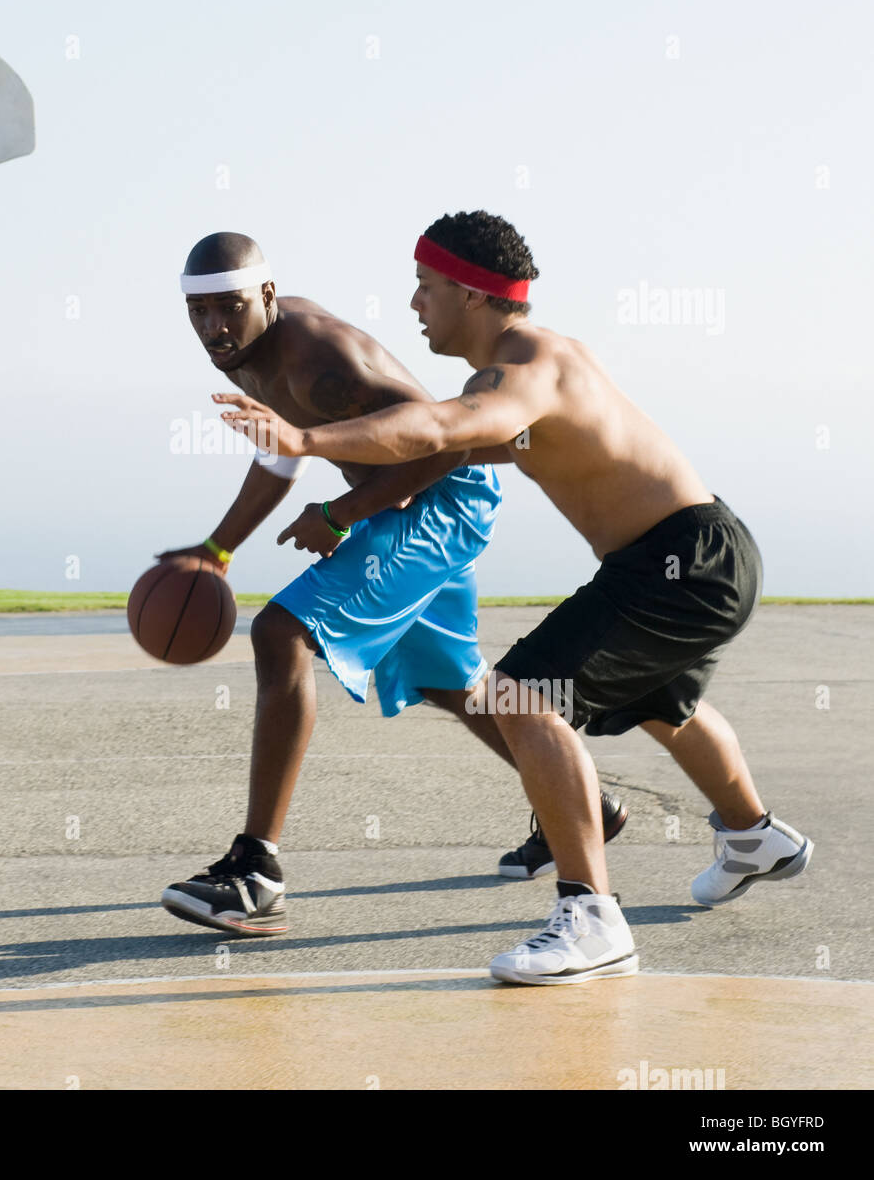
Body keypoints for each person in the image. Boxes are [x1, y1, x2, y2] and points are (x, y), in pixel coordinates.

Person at [216, 211, 812, 984]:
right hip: (691, 555)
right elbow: (450, 445)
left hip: (681, 561)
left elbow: (439, 426)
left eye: (426, 287)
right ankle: (753, 835)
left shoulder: (524, 370)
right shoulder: (537, 362)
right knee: (667, 704)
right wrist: (342, 509)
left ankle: (592, 917)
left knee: (520, 697)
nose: (413, 304)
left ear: (469, 294)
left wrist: (306, 442)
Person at [157, 231, 626, 936]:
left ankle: (255, 873)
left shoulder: (320, 360)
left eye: (230, 309)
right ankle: (589, 804)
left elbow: (451, 445)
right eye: (200, 313)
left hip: (440, 494)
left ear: (269, 297)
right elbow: (282, 458)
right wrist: (219, 549)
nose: (215, 328)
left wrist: (342, 513)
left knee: (280, 633)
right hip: (415, 499)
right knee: (448, 681)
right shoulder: (247, 353)